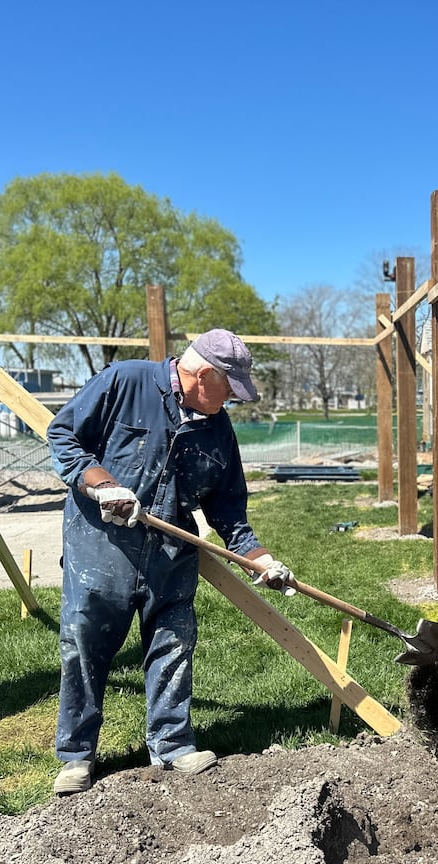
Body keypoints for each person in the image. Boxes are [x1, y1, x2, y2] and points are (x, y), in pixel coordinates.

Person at [47, 329, 295, 796]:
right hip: (102, 549)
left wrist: (262, 560)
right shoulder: (126, 381)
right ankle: (76, 756)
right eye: (231, 390)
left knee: (173, 644)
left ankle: (172, 743)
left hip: (170, 556)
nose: (234, 402)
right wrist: (101, 483)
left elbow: (230, 512)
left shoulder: (217, 429)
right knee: (84, 648)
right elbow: (62, 434)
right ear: (203, 376)